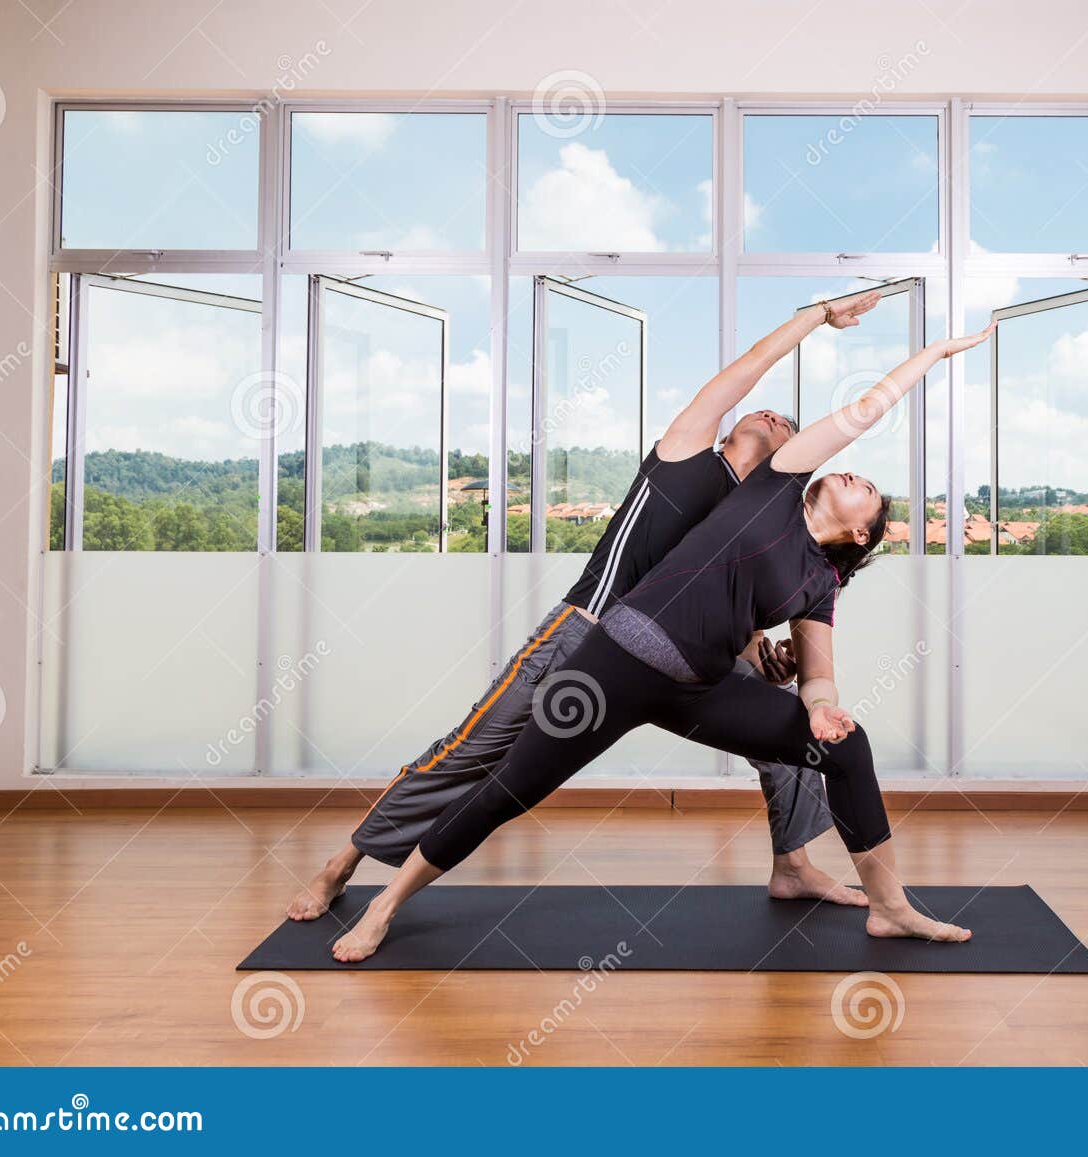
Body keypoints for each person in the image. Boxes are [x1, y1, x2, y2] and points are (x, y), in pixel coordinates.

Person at [329, 316, 997, 962]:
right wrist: (934, 352)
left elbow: (818, 667)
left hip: (699, 687)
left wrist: (821, 706)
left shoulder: (819, 581)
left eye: (870, 489)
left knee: (846, 745)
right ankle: (384, 902)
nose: (854, 474)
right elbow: (864, 410)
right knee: (508, 788)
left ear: (861, 533)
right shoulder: (774, 486)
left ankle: (888, 904)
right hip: (612, 660)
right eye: (853, 470)